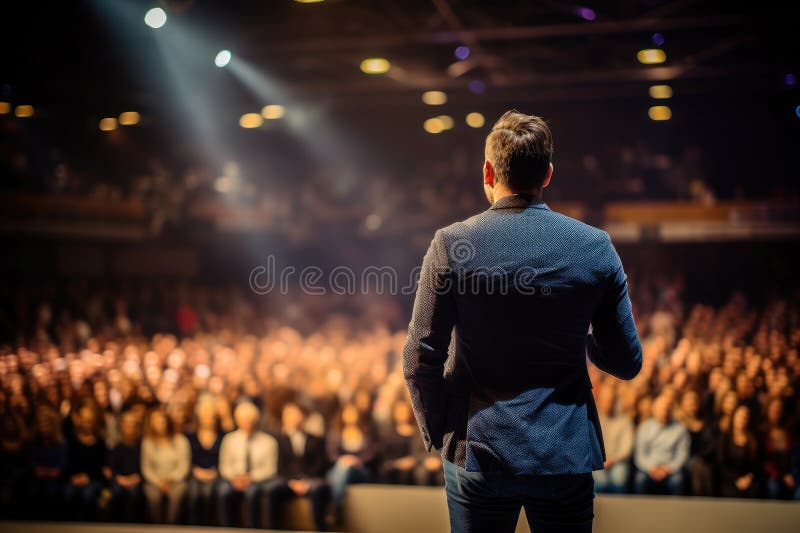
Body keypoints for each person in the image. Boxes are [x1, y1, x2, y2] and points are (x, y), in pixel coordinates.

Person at [403, 110, 642, 533]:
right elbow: (626, 361)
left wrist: (441, 432)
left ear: (488, 171)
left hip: (478, 448)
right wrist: (581, 341)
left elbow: (418, 357)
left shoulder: (451, 244)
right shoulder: (594, 246)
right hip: (564, 453)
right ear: (547, 174)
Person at [268, 400, 330, 531]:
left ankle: (320, 528)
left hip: (311, 480)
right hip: (288, 481)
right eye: (288, 414)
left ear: (303, 416)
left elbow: (320, 465)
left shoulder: (316, 439)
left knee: (319, 489)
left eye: (295, 414)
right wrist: (291, 482)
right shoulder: (279, 440)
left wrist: (306, 481)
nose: (292, 417)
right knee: (272, 490)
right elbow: (280, 466)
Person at [218, 401, 281, 528]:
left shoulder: (268, 441)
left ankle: (253, 529)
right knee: (224, 492)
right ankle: (229, 529)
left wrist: (250, 478)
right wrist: (235, 478)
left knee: (252, 493)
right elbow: (224, 466)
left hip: (257, 480)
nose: (248, 423)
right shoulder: (229, 440)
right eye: (244, 419)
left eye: (250, 419)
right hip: (234, 479)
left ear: (256, 420)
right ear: (237, 420)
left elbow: (270, 468)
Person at [325, 402, 378, 527]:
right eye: (347, 413)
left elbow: (370, 453)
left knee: (343, 470)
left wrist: (356, 460)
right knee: (343, 468)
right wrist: (344, 459)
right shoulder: (335, 432)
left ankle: (335, 506)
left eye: (353, 413)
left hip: (360, 469)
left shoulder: (365, 431)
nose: (350, 416)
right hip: (341, 466)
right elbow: (331, 454)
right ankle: (338, 507)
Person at [633, 394, 690, 495]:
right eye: (662, 408)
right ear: (654, 410)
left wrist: (667, 469)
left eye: (667, 408)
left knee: (677, 480)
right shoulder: (645, 428)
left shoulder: (680, 429)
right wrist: (652, 468)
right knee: (640, 479)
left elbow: (682, 455)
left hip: (670, 469)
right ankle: (641, 509)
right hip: (649, 469)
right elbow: (640, 455)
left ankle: (676, 510)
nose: (665, 411)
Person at [141, 407, 190, 523]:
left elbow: (183, 467)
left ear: (167, 422)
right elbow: (146, 468)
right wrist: (159, 482)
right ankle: (157, 526)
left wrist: (170, 479)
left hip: (176, 480)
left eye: (162, 421)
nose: (159, 425)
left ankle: (170, 526)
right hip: (155, 481)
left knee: (176, 496)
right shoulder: (147, 443)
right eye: (155, 422)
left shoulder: (180, 440)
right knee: (153, 497)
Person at [64, 403, 106, 521]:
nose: (86, 424)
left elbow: (101, 466)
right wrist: (74, 477)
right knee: (68, 493)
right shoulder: (72, 441)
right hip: (74, 478)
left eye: (89, 421)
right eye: (84, 420)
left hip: (93, 479)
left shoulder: (100, 442)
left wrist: (88, 477)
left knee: (87, 495)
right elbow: (69, 463)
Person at [186, 397, 224, 525]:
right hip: (195, 473)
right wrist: (195, 471)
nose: (208, 419)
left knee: (209, 494)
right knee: (193, 494)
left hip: (215, 473)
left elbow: (224, 458)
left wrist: (215, 472)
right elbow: (188, 458)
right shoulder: (190, 436)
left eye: (211, 416)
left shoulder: (222, 436)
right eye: (205, 415)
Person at [29, 406, 68, 520]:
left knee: (53, 491)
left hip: (56, 479)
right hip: (37, 477)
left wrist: (52, 472)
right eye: (42, 424)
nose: (44, 427)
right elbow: (32, 462)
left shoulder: (61, 443)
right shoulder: (35, 442)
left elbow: (62, 465)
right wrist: (38, 470)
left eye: (47, 424)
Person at [592, 387, 634, 493]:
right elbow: (590, 445)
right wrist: (601, 460)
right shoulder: (593, 420)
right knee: (601, 482)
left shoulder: (624, 421)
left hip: (618, 461)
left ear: (615, 402)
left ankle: (621, 508)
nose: (608, 404)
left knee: (618, 480)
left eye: (610, 401)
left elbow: (627, 448)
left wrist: (613, 460)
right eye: (605, 400)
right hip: (598, 461)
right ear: (599, 401)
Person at [677, 389, 715, 496]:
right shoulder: (676, 424)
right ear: (682, 403)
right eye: (688, 400)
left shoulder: (706, 424)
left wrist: (700, 458)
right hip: (682, 459)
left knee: (702, 467)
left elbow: (710, 446)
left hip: (702, 459)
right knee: (697, 467)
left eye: (694, 400)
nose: (692, 403)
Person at [108, 410, 144, 522]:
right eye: (127, 424)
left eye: (133, 425)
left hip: (136, 480)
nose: (130, 428)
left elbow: (144, 467)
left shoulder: (142, 446)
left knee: (135, 495)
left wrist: (137, 478)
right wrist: (119, 479)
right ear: (121, 426)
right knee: (116, 493)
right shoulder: (116, 447)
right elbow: (111, 468)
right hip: (119, 480)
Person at [717, 405, 760, 498]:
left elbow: (757, 464)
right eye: (740, 416)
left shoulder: (753, 440)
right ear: (734, 417)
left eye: (745, 416)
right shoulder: (725, 438)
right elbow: (721, 464)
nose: (742, 419)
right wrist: (735, 480)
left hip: (749, 480)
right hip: (729, 480)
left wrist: (749, 478)